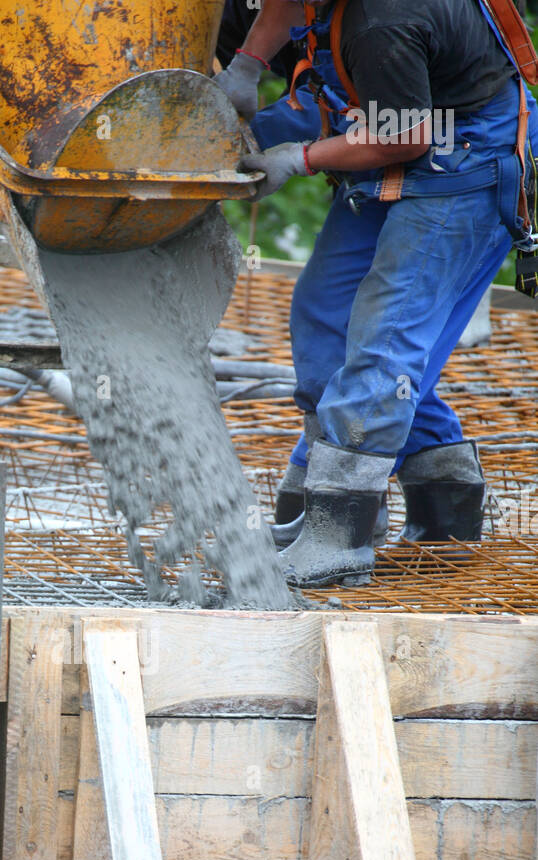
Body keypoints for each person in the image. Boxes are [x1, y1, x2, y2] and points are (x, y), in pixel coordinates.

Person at [215, 0, 538, 586]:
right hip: (397, 132)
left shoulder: (381, 19)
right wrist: (245, 65)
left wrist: (302, 156)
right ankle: (443, 510)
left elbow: (407, 137)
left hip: (461, 157)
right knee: (325, 317)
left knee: (385, 342)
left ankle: (340, 536)